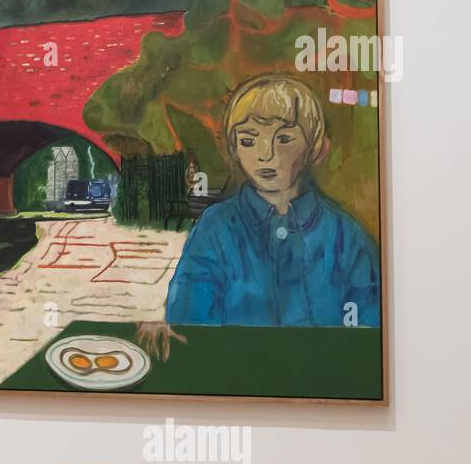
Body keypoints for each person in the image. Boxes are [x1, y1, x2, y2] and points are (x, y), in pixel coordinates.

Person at [138, 74, 380, 360]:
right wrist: (171, 332)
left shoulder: (345, 236)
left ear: (317, 149)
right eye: (249, 140)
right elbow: (189, 321)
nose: (266, 154)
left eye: (284, 138)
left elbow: (369, 335)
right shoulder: (215, 229)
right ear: (235, 151)